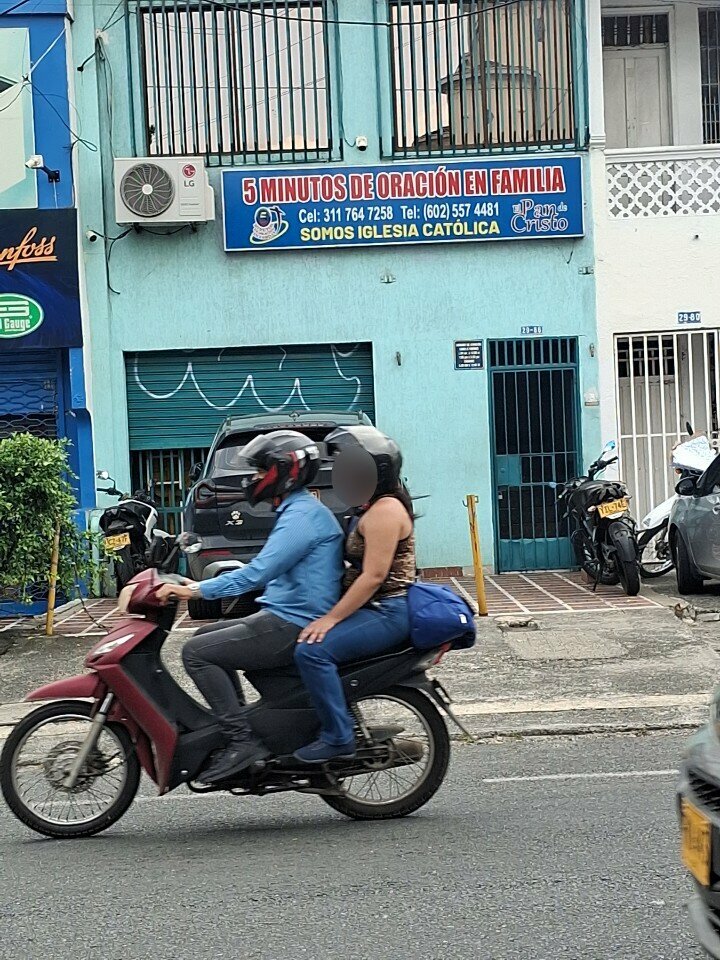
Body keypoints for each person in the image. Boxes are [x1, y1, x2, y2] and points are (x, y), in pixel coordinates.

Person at [157, 430, 344, 783]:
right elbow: (262, 569)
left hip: (293, 623)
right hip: (284, 614)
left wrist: (196, 591)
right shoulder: (297, 510)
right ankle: (241, 721)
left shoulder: (302, 516)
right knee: (208, 636)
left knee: (197, 652)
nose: (253, 479)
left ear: (283, 471)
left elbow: (256, 574)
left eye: (260, 472)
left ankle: (241, 740)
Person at [293, 425, 416, 764]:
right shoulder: (370, 507)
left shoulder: (385, 512)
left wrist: (330, 619)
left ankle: (338, 737)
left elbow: (374, 576)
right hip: (377, 608)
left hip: (390, 610)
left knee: (312, 652)